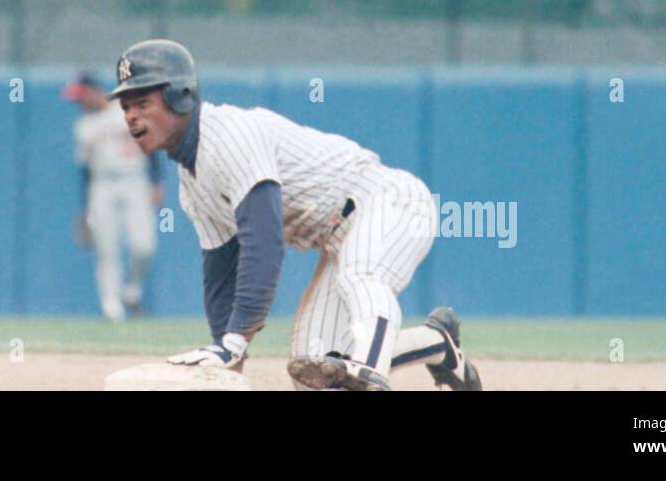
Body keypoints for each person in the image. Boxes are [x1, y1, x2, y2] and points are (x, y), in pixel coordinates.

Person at [108, 39, 483, 391]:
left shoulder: (229, 136)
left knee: (362, 276)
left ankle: (370, 373)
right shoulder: (191, 181)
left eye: (142, 102)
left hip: (387, 200)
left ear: (180, 95)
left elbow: (265, 244)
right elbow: (221, 270)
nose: (131, 116)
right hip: (341, 237)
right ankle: (436, 342)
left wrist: (237, 339)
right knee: (312, 369)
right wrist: (226, 353)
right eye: (125, 106)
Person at [63, 72, 161, 320]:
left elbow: (149, 144)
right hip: (102, 186)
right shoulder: (83, 126)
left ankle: (132, 290)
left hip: (135, 181)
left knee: (144, 245)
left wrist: (156, 182)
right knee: (106, 248)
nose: (79, 102)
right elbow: (85, 170)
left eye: (81, 96)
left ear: (94, 91)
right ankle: (111, 308)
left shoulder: (124, 109)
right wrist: (85, 206)